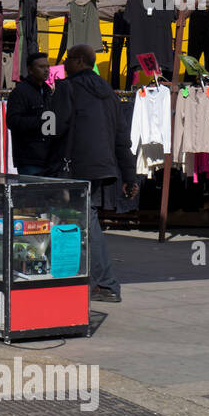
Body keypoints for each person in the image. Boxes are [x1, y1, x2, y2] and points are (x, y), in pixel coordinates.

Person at [50, 44, 138, 304]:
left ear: (78, 61)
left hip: (74, 167)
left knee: (83, 222)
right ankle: (86, 280)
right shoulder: (108, 93)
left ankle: (105, 283)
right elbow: (123, 138)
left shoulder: (68, 88)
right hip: (102, 167)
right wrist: (129, 176)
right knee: (85, 221)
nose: (64, 65)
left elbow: (54, 128)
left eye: (67, 60)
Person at [6, 52, 57, 175]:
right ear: (30, 69)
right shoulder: (20, 92)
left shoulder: (48, 91)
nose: (46, 70)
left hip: (48, 157)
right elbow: (12, 121)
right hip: (29, 158)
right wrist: (41, 121)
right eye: (41, 67)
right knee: (31, 193)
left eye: (47, 67)